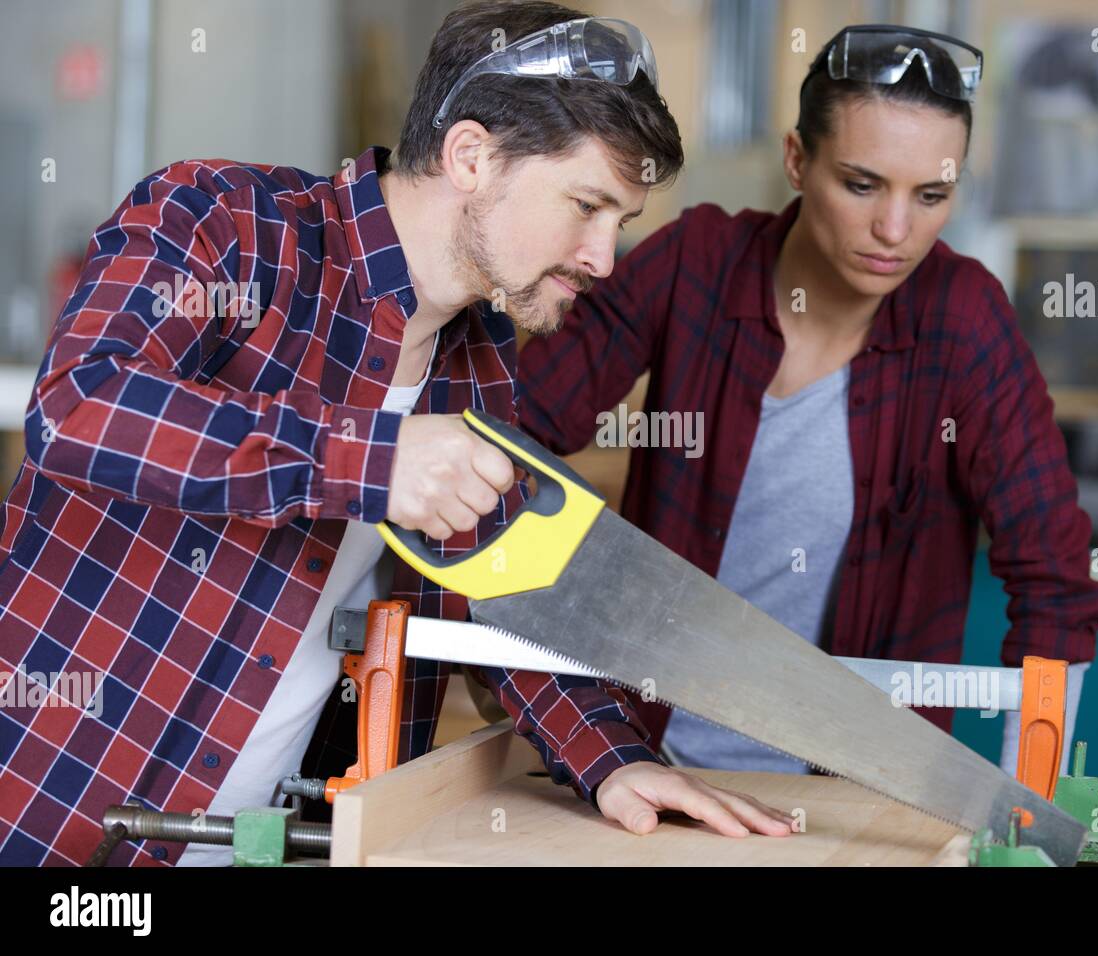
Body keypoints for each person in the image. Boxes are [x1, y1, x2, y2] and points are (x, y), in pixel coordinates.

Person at [0, 0, 795, 867]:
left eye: (621, 224)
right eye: (587, 205)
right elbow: (78, 405)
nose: (605, 257)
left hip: (247, 846)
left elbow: (492, 592)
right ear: (471, 156)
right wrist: (372, 459)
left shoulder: (480, 360)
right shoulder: (226, 221)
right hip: (45, 818)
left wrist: (612, 761)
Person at [518, 25, 1098, 775]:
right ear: (798, 160)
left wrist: (1032, 802)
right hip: (641, 758)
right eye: (862, 185)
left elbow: (1055, 578)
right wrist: (528, 669)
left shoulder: (965, 321)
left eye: (931, 196)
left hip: (863, 786)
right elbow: (515, 433)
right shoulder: (694, 263)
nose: (896, 231)